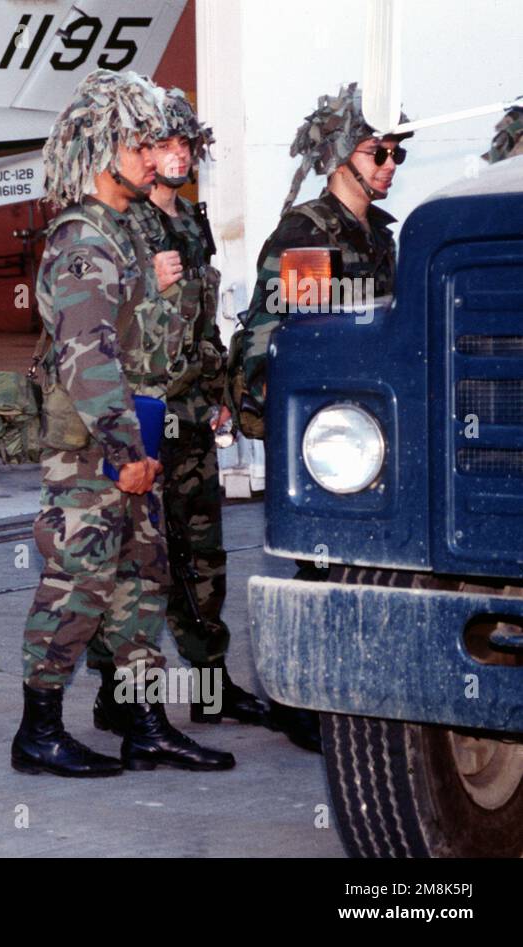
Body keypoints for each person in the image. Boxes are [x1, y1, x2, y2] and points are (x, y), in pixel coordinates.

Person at [12, 69, 235, 778]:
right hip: (94, 452)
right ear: (106, 147)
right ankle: (38, 731)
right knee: (76, 584)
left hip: (132, 438)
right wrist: (123, 450)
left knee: (140, 585)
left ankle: (144, 725)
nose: (151, 158)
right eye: (139, 145)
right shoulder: (84, 241)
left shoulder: (119, 231)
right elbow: (87, 360)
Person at [233, 82, 413, 753]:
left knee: (358, 569)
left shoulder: (379, 234)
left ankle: (349, 690)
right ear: (341, 155)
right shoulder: (309, 236)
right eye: (379, 152)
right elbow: (291, 339)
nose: (391, 164)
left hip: (369, 429)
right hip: (324, 432)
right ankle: (295, 699)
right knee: (316, 568)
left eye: (396, 153)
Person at [91, 88, 269, 734]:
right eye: (161, 143)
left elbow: (202, 322)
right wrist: (147, 285)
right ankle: (120, 697)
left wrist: (220, 390)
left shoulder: (191, 221)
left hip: (191, 410)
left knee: (202, 554)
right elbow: (97, 327)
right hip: (139, 412)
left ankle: (212, 689)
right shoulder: (120, 222)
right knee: (133, 563)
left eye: (184, 143)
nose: (175, 154)